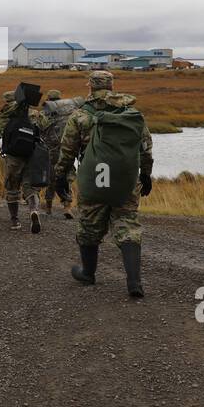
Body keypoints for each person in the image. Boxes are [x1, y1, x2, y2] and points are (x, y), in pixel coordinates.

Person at [54, 71, 153, 297]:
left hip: (94, 179)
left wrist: (61, 176)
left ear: (90, 87)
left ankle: (88, 273)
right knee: (127, 223)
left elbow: (67, 151)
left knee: (89, 225)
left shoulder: (80, 116)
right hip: (125, 179)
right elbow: (145, 146)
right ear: (111, 86)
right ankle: (134, 282)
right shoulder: (131, 113)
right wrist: (146, 174)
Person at [0, 90, 44, 232]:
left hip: (13, 156)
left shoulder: (5, 115)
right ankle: (33, 210)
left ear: (7, 100)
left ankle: (15, 221)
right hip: (32, 153)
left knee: (12, 187)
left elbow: (0, 132)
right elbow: (43, 126)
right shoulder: (33, 112)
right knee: (30, 185)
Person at [39, 89, 77, 219]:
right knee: (67, 178)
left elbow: (39, 132)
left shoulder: (43, 114)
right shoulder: (69, 114)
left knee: (51, 179)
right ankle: (67, 206)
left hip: (49, 152)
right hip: (66, 151)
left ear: (48, 99)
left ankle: (48, 207)